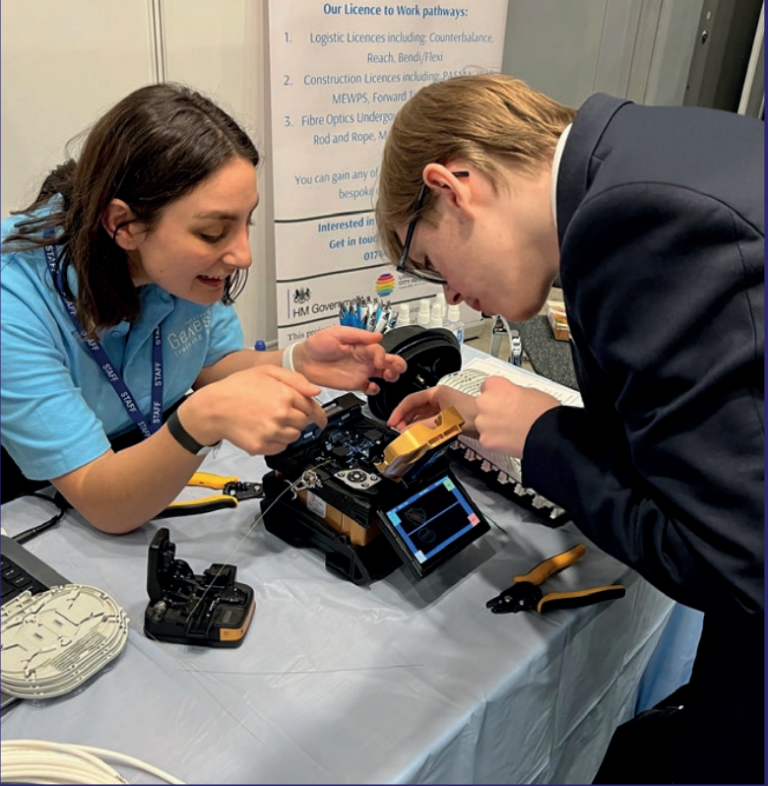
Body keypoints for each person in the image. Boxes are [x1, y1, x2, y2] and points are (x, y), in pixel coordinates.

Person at [374, 74, 764, 784]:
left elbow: (727, 564)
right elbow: (699, 423)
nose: (453, 295)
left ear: (451, 187)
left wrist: (541, 438)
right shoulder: (650, 152)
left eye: (428, 263)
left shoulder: (637, 224)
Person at [1, 82, 406, 534]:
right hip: (41, 504)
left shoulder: (176, 268)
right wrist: (201, 419)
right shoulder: (13, 305)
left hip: (138, 469)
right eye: (214, 232)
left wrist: (296, 360)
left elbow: (210, 362)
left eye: (245, 221)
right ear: (123, 224)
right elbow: (103, 502)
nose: (242, 255)